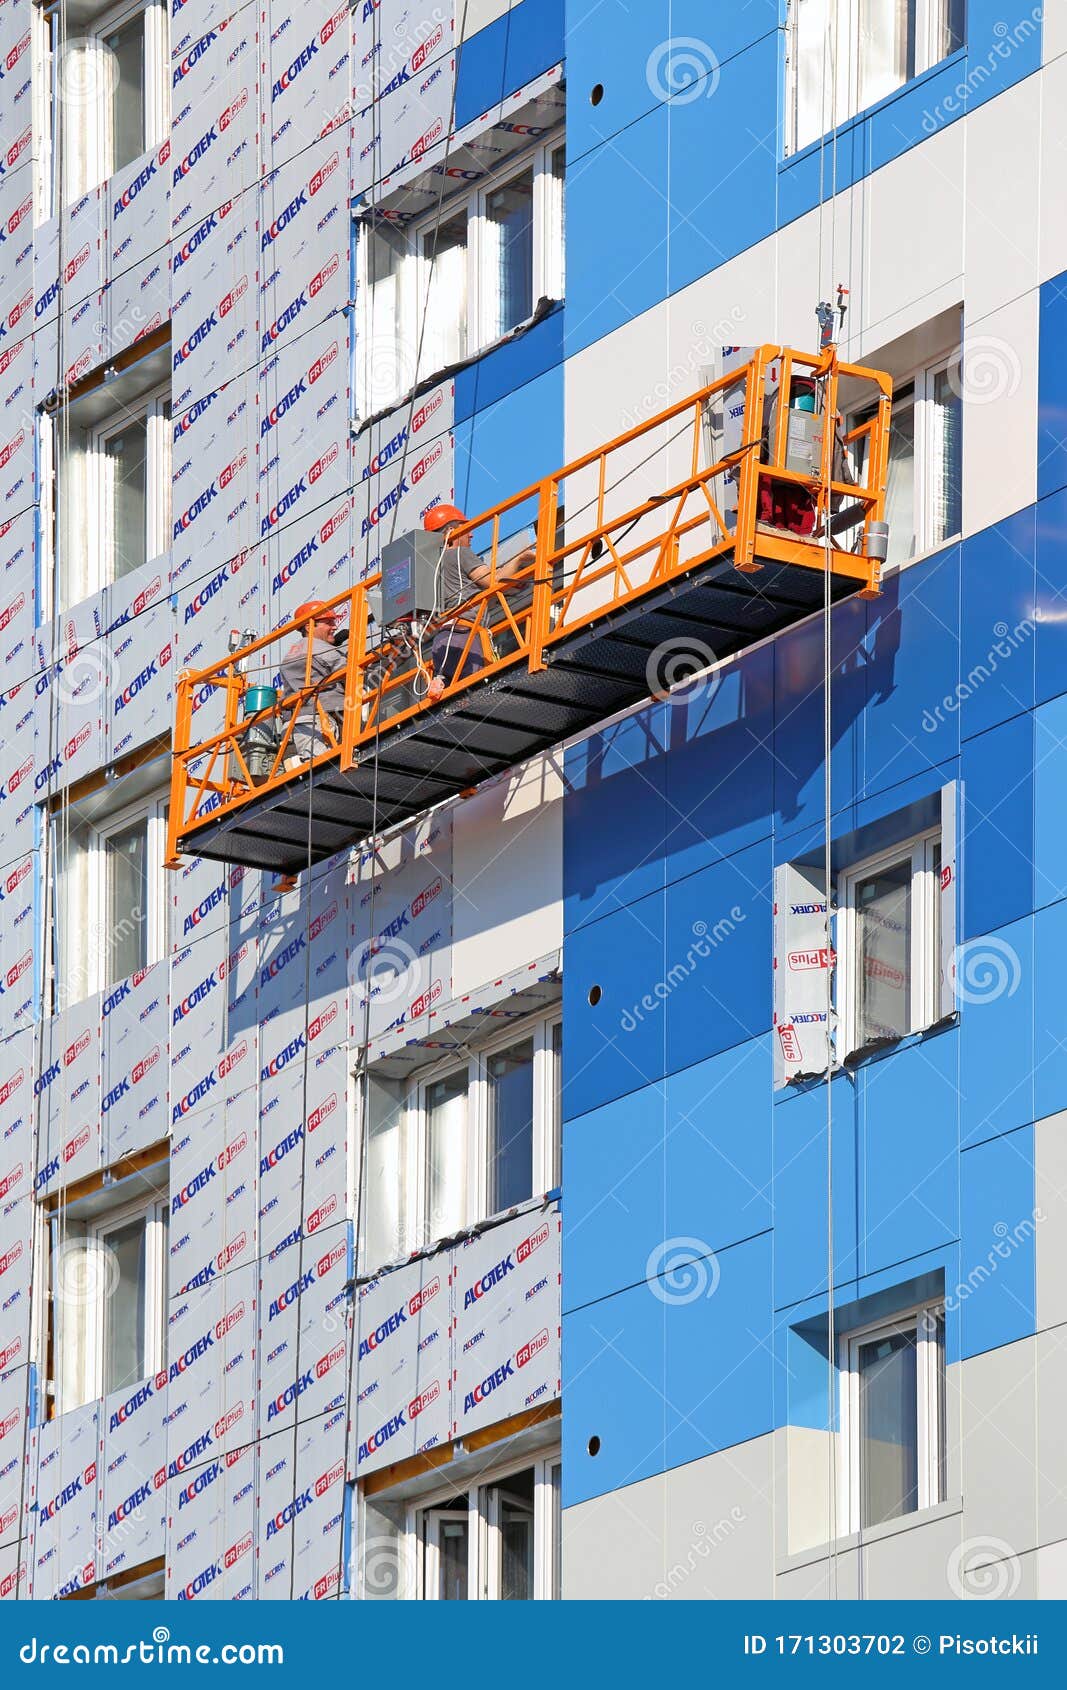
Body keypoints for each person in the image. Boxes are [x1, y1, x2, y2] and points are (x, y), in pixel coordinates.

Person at [422, 504, 533, 698]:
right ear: (451, 531)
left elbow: (470, 594)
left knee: (454, 699)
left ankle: (438, 682)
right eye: (466, 528)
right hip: (466, 637)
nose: (471, 535)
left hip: (441, 644)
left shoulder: (431, 571)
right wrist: (520, 558)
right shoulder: (459, 554)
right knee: (479, 696)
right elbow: (494, 581)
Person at [277, 601, 349, 766]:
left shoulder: (291, 653)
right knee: (325, 767)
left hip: (297, 723)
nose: (334, 626)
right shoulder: (318, 647)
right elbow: (349, 671)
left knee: (315, 767)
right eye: (328, 622)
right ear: (309, 627)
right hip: (322, 719)